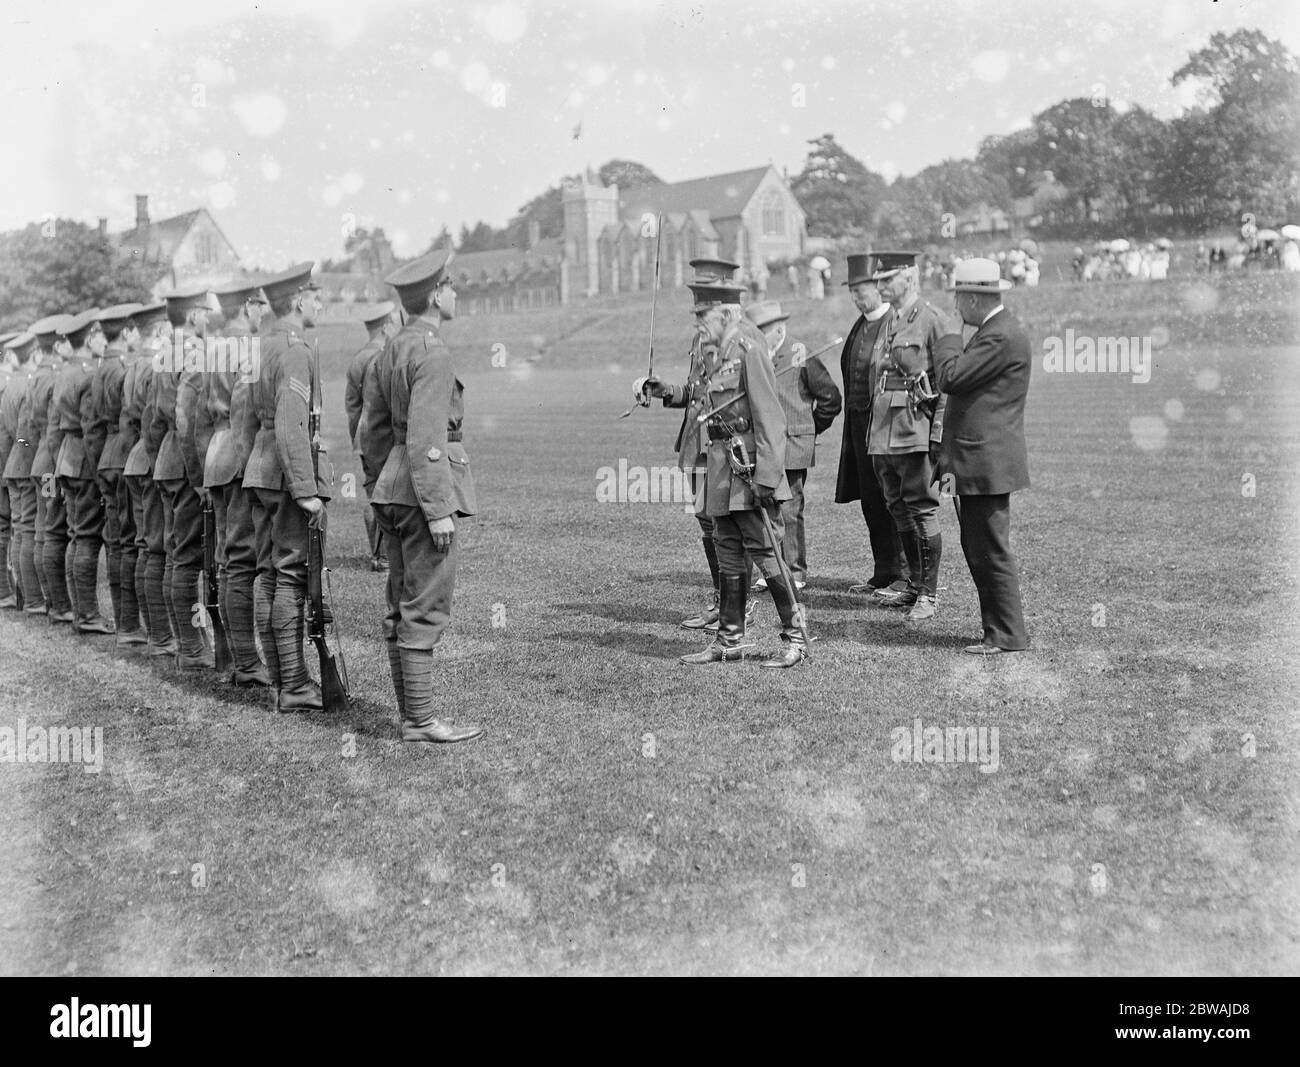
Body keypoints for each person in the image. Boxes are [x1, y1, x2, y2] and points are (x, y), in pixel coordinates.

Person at [360, 249, 483, 743]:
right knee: (424, 603)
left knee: (399, 600)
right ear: (435, 295)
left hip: (392, 487)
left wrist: (376, 488)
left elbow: (372, 430)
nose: (455, 294)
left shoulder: (391, 347)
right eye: (451, 286)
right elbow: (429, 438)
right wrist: (437, 510)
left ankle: (412, 715)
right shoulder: (432, 352)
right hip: (422, 491)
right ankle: (421, 720)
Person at [679, 279, 805, 669]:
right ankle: (729, 640)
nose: (698, 321)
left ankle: (796, 639)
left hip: (749, 470)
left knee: (767, 554)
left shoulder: (750, 348)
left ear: (728, 312)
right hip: (722, 467)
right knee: (728, 550)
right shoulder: (718, 351)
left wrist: (768, 477)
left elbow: (771, 416)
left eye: (704, 314)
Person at [641, 257, 753, 633]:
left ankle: (739, 607)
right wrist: (665, 391)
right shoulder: (701, 336)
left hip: (725, 444)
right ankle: (723, 601)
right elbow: (697, 390)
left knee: (730, 527)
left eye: (707, 286)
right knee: (709, 526)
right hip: (698, 440)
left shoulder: (743, 339)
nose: (699, 299)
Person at [240, 262, 332, 711]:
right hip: (283, 472)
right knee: (291, 575)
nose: (321, 303)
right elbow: (291, 424)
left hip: (259, 469)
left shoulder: (260, 346)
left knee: (268, 573)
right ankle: (294, 684)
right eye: (315, 295)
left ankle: (281, 679)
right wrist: (306, 490)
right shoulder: (295, 349)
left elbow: (246, 418)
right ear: (298, 300)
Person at [934, 258, 1030, 654]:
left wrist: (950, 336)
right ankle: (998, 631)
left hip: (985, 463)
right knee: (980, 546)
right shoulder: (995, 331)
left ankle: (1006, 634)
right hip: (977, 462)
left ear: (973, 298)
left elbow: (950, 377)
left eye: (958, 297)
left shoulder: (998, 336)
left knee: (989, 548)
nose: (956, 306)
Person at [192, 280, 272, 685]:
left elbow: (199, 414)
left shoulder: (217, 345)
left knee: (227, 561)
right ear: (248, 305)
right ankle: (246, 662)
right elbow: (244, 406)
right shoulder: (246, 345)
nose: (266, 313)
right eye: (262, 305)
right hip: (237, 454)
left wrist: (209, 467)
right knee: (240, 562)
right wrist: (246, 464)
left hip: (216, 455)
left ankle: (240, 657)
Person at [865, 250, 951, 622]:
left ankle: (929, 596)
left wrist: (938, 434)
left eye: (888, 279)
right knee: (897, 505)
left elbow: (948, 384)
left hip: (915, 427)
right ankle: (914, 585)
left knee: (922, 507)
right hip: (884, 429)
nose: (881, 286)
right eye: (879, 280)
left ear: (910, 279)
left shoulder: (932, 320)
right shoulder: (890, 321)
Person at [743, 299, 841, 591]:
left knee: (789, 510)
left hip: (794, 446)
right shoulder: (752, 354)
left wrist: (807, 430)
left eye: (765, 331)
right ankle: (773, 570)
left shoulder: (800, 352)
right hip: (765, 446)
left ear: (779, 328)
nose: (760, 337)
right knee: (766, 508)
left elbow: (830, 399)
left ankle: (795, 574)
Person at [834, 253, 906, 597]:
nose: (855, 297)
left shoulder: (895, 322)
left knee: (894, 500)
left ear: (878, 287)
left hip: (888, 429)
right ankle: (884, 570)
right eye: (851, 290)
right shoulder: (858, 326)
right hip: (859, 429)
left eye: (860, 289)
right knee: (871, 501)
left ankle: (905, 574)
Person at [151, 286, 213, 670]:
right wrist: (199, 477)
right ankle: (191, 647)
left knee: (177, 555)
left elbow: (157, 413)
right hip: (186, 464)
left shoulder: (164, 352)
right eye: (205, 311)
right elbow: (186, 419)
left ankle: (186, 641)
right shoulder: (192, 352)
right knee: (187, 558)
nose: (209, 318)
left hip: (168, 460)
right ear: (192, 316)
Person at [86, 303, 143, 638]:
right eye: (135, 330)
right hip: (123, 455)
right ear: (126, 332)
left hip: (107, 455)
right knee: (128, 542)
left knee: (117, 541)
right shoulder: (123, 368)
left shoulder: (100, 368)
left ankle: (126, 624)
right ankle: (130, 625)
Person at [125, 302, 177, 656]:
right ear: (159, 332)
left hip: (139, 460)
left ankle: (156, 632)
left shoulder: (134, 365)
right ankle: (160, 635)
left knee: (148, 546)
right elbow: (155, 421)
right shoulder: (155, 365)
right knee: (157, 548)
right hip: (151, 460)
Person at [344, 300, 397, 573]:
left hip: (363, 441)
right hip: (384, 439)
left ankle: (377, 555)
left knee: (373, 492)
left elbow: (352, 408)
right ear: (386, 326)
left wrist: (359, 439)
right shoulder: (383, 357)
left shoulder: (357, 359)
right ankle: (384, 557)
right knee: (387, 496)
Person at [0, 331, 36, 609]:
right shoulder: (15, 383)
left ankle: (13, 592)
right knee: (18, 527)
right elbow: (19, 433)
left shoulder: (10, 383)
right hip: (16, 459)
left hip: (10, 460)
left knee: (13, 527)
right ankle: (19, 594)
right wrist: (29, 443)